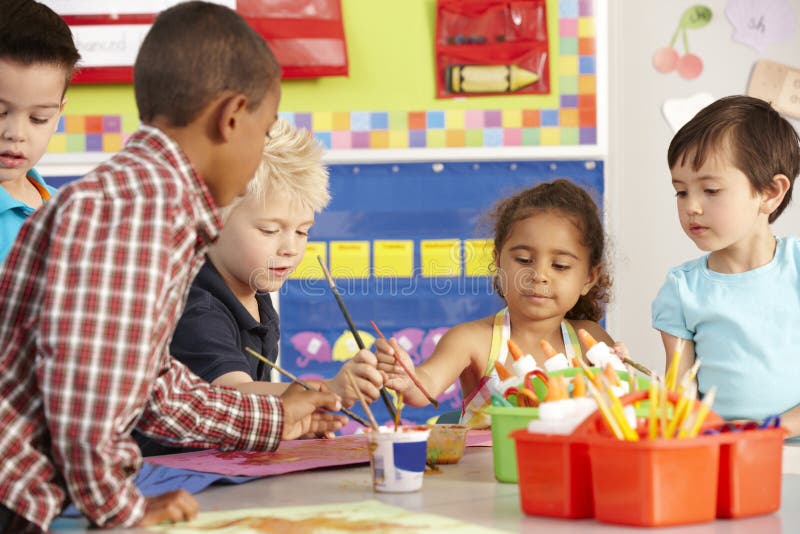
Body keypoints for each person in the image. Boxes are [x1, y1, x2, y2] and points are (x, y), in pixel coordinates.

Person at [0, 3, 346, 532]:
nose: (258, 154)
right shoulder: (135, 214)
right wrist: (122, 508)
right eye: (263, 130)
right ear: (231, 119)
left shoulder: (147, 203)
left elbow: (152, 388)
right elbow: (83, 400)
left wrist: (277, 417)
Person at [135, 119, 384, 455]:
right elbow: (233, 394)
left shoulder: (256, 296)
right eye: (269, 230)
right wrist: (326, 390)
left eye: (302, 231)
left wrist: (295, 422)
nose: (290, 248)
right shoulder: (196, 305)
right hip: (167, 477)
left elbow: (250, 415)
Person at [376, 179, 614, 428]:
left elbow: (623, 404)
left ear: (589, 277)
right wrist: (407, 376)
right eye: (523, 260)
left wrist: (622, 373)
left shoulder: (592, 339)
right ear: (499, 262)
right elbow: (425, 386)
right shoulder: (471, 340)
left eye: (560, 265)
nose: (539, 274)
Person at [652, 95, 800, 436]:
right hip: (719, 451)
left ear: (770, 192)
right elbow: (680, 398)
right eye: (681, 192)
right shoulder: (681, 290)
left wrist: (769, 429)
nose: (692, 207)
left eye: (711, 190)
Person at [0, 0, 80, 263]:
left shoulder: (64, 209)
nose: (16, 133)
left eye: (38, 118)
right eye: (0, 113)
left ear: (59, 114)